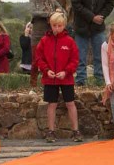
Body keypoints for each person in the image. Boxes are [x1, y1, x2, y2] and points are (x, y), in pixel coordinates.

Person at [34, 12, 82, 142]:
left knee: (70, 103)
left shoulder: (69, 41)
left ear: (64, 25)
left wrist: (66, 72)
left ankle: (76, 131)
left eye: (59, 26)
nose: (56, 28)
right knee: (52, 105)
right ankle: (51, 131)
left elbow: (75, 60)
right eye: (54, 25)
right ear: (50, 25)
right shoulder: (44, 41)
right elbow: (39, 58)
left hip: (66, 79)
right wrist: (46, 70)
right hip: (50, 78)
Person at [70, 0, 114, 85]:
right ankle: (80, 81)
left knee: (100, 55)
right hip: (81, 27)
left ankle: (100, 80)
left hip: (98, 27)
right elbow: (77, 6)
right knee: (81, 56)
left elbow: (110, 4)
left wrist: (101, 16)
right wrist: (92, 17)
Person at [29, 0, 63, 88]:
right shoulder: (33, 0)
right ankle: (33, 84)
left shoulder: (51, 1)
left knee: (50, 59)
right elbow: (34, 13)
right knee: (35, 61)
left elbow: (62, 10)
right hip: (37, 34)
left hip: (50, 34)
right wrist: (49, 14)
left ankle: (49, 83)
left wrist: (57, 12)